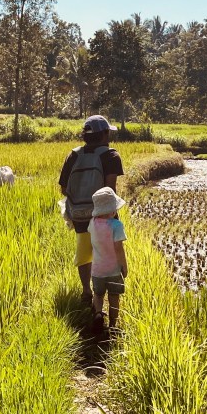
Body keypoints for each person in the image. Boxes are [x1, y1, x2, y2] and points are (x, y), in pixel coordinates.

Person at [58, 116, 124, 307]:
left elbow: (63, 187)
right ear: (103, 134)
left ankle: (87, 292)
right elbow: (110, 189)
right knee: (107, 253)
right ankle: (104, 296)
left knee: (84, 251)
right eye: (108, 132)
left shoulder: (74, 155)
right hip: (103, 215)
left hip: (79, 213)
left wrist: (79, 202)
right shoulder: (111, 156)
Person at [88, 187, 128, 332]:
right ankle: (112, 325)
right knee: (114, 296)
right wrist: (124, 266)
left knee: (98, 295)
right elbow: (119, 249)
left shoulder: (92, 223)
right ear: (113, 210)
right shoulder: (116, 225)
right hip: (113, 270)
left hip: (97, 269)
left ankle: (98, 314)